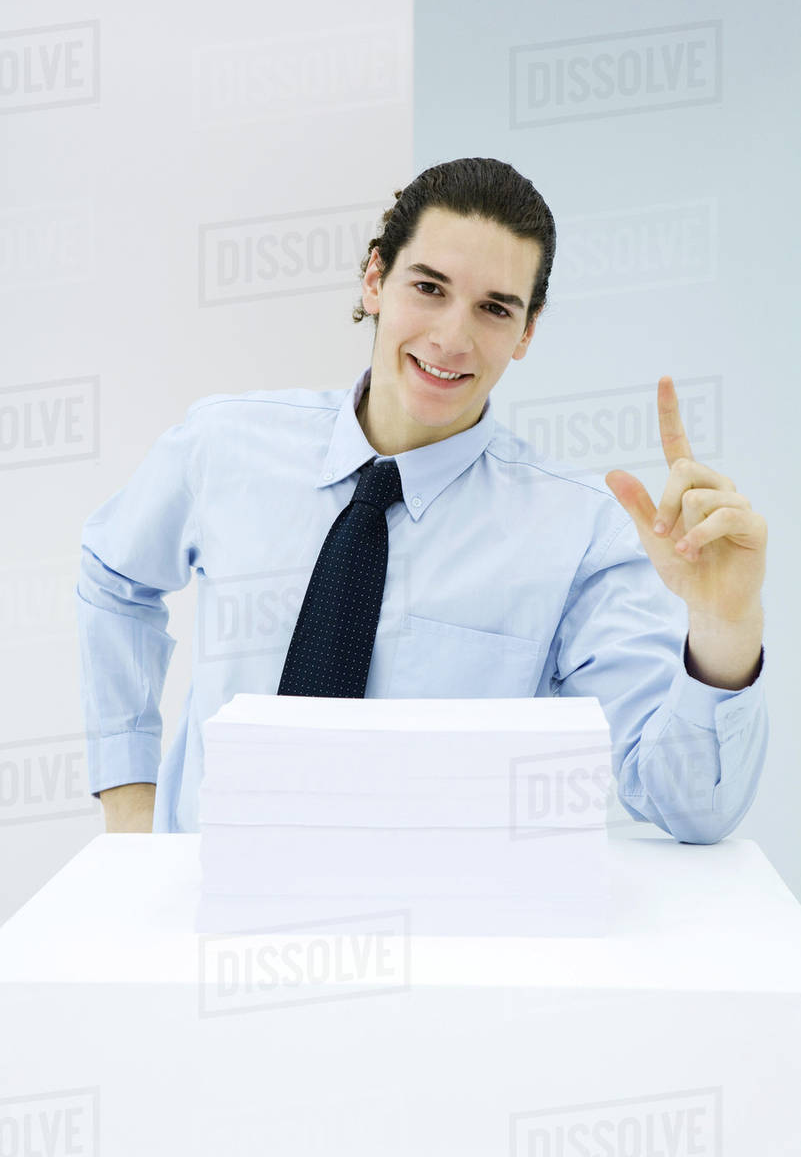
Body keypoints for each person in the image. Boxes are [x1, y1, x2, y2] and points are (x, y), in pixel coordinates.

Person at [75, 157, 767, 837]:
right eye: (429, 288)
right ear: (375, 277)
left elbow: (686, 807)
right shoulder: (224, 444)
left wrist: (724, 628)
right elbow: (113, 577)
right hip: (202, 915)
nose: (451, 337)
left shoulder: (577, 530)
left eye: (494, 308)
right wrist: (129, 800)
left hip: (436, 933)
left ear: (526, 331)